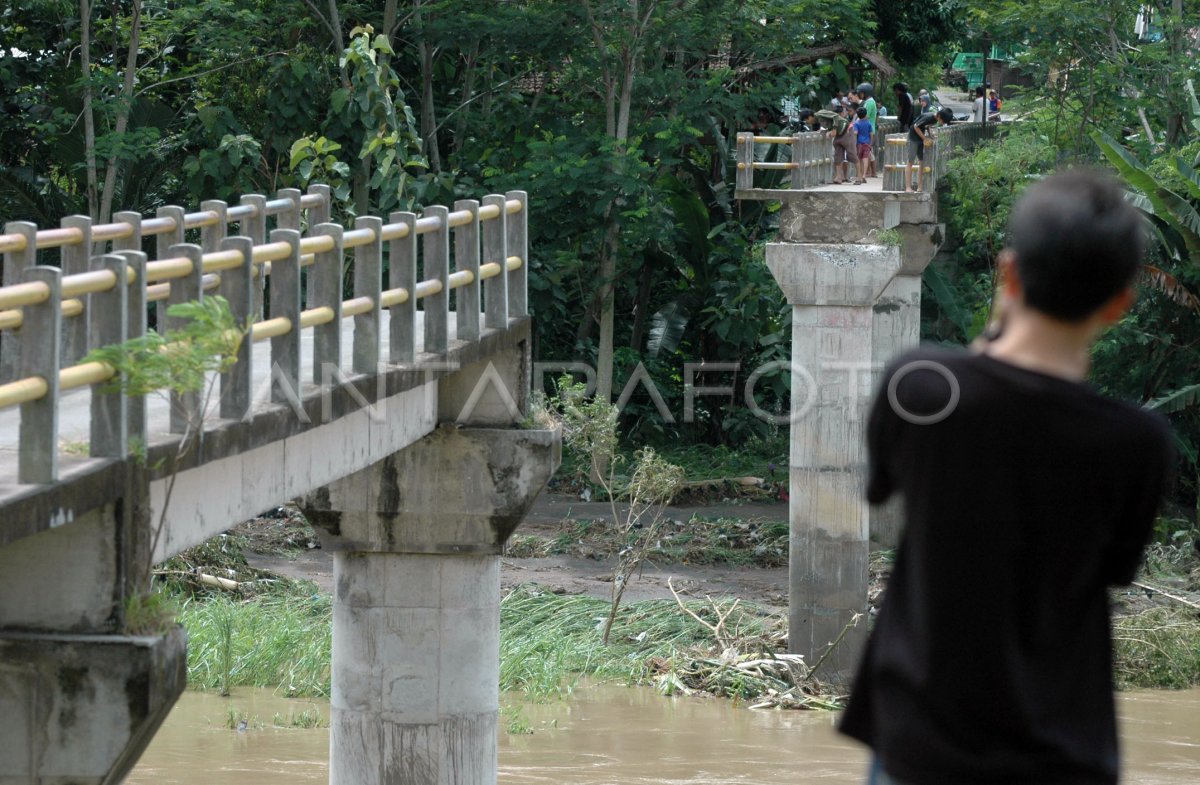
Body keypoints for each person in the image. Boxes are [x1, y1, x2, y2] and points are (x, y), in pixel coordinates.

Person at [839, 168, 1174, 785]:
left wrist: (991, 337)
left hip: (922, 745)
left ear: (1010, 273)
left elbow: (884, 488)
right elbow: (1114, 571)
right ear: (1121, 302)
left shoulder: (919, 387)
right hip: (1061, 753)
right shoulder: (1138, 443)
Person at [905, 106, 952, 192]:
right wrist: (925, 138)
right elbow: (916, 126)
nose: (942, 123)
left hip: (920, 138)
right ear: (939, 116)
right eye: (943, 121)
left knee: (921, 162)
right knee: (910, 162)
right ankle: (908, 187)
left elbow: (926, 126)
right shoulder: (929, 117)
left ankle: (920, 186)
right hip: (913, 138)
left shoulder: (935, 119)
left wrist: (930, 135)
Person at [818, 104, 859, 184]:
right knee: (838, 158)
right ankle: (839, 177)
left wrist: (832, 131)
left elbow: (835, 131)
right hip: (839, 138)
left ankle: (857, 177)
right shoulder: (834, 122)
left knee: (851, 156)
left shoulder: (840, 121)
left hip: (846, 135)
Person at [858, 84, 878, 177]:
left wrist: (857, 120)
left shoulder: (869, 102)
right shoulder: (869, 101)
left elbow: (867, 115)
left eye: (861, 93)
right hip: (868, 129)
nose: (860, 95)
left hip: (868, 129)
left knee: (868, 152)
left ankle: (871, 172)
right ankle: (871, 172)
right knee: (869, 152)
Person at [853, 107, 872, 185]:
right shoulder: (868, 123)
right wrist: (871, 143)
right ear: (865, 114)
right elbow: (871, 134)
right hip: (867, 143)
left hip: (859, 143)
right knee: (865, 159)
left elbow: (855, 133)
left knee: (859, 159)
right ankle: (864, 175)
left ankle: (860, 176)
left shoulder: (856, 123)